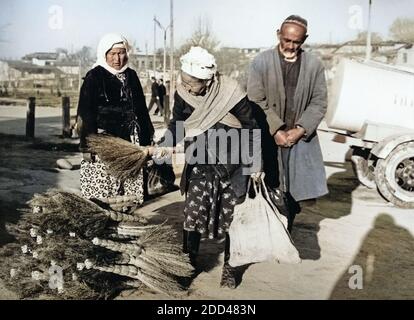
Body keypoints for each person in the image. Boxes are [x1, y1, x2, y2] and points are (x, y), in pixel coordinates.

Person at [150, 46, 261, 289]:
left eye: (193, 83)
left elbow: (251, 127)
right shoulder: (183, 92)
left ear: (208, 80)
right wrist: (164, 147)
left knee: (233, 218)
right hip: (200, 160)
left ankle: (230, 269)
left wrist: (255, 164)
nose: (187, 87)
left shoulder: (231, 91)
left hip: (232, 162)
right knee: (192, 213)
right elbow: (177, 125)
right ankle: (186, 265)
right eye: (184, 80)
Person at [247, 15, 329, 233]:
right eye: (287, 40)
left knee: (294, 189)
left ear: (305, 39)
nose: (291, 46)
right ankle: (268, 232)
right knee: (268, 183)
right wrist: (275, 129)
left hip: (300, 138)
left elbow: (319, 101)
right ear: (278, 35)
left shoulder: (314, 65)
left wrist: (300, 130)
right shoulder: (260, 62)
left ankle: (286, 232)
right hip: (269, 136)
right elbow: (255, 99)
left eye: (297, 42)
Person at [76, 33, 154, 205]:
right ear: (104, 54)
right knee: (104, 186)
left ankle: (127, 216)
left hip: (131, 139)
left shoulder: (131, 75)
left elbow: (141, 110)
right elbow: (85, 113)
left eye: (122, 53)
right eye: (113, 54)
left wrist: (147, 139)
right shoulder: (94, 76)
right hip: (105, 140)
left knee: (130, 183)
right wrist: (86, 146)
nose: (118, 58)